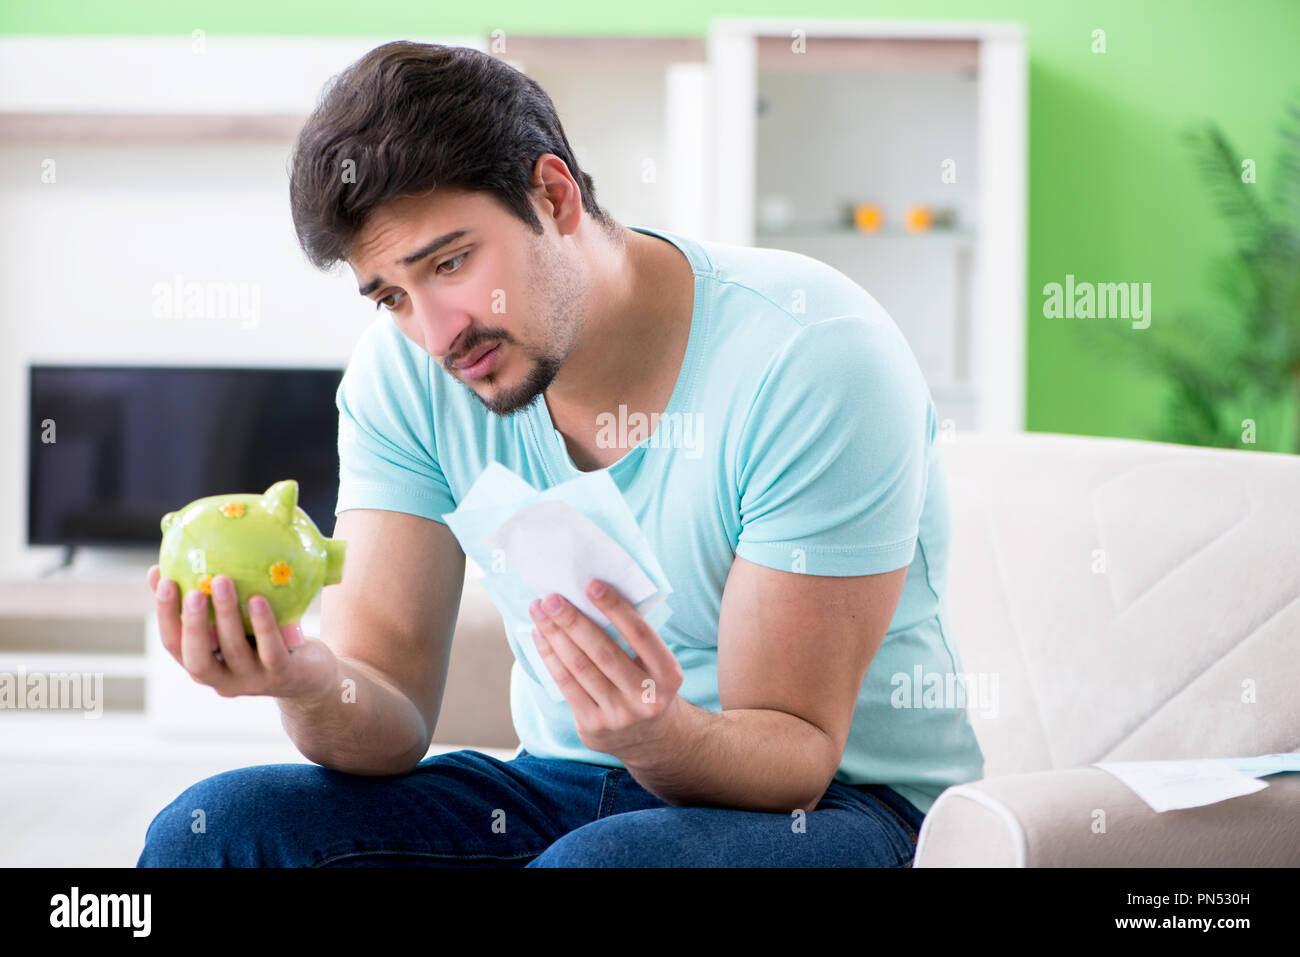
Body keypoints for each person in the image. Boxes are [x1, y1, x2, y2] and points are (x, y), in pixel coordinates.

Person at [137, 40, 984, 868]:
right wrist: (310, 682)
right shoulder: (404, 375)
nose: (435, 334)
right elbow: (387, 711)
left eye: (453, 262)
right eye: (393, 294)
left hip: (841, 806)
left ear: (553, 194)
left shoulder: (812, 357)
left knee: (600, 862)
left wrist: (655, 731)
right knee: (213, 832)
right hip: (563, 789)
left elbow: (793, 754)